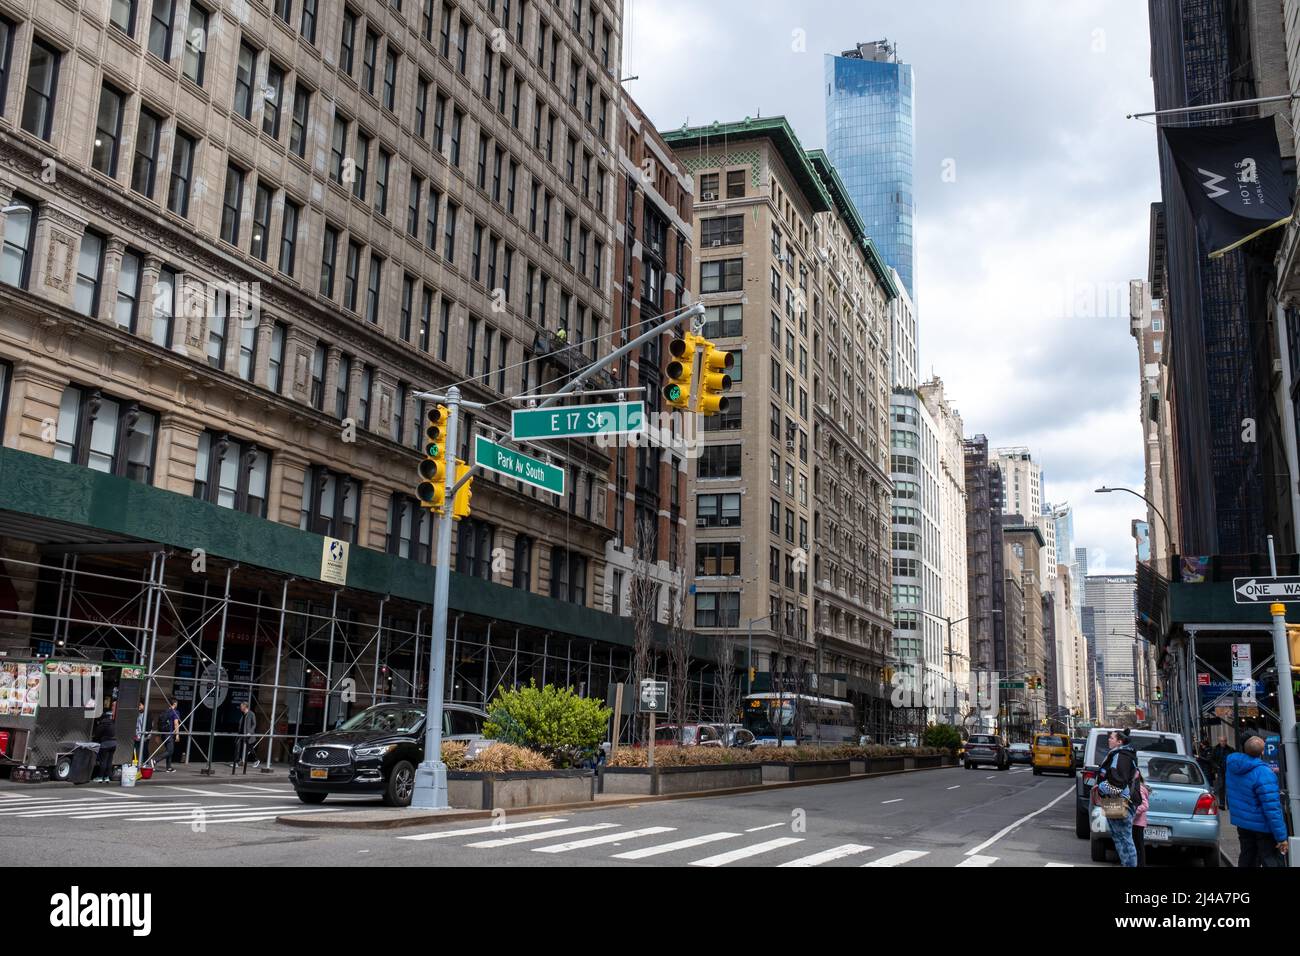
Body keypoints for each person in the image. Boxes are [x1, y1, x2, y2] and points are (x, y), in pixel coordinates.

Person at [1225, 735, 1290, 867]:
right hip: (1262, 826)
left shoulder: (1232, 766)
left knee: (1247, 856)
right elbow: (1272, 808)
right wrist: (1281, 837)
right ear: (1262, 752)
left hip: (1243, 823)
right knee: (1270, 859)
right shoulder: (1264, 773)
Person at [1096, 728, 1140, 867]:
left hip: (1121, 800)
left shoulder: (1121, 756)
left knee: (1124, 838)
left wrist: (1101, 787)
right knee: (1118, 837)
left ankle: (1129, 865)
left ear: (1120, 742)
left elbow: (1118, 783)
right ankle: (1126, 864)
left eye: (1112, 738)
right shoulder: (1119, 754)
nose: (1109, 739)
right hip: (1115, 800)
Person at [91, 706, 117, 783]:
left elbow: (97, 734)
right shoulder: (112, 724)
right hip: (114, 744)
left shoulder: (103, 724)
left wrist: (95, 739)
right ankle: (107, 777)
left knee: (103, 761)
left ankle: (100, 776)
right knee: (109, 761)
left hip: (105, 744)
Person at [1131, 772, 1151, 867]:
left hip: (1138, 823)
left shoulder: (1139, 788)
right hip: (1133, 822)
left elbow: (1145, 805)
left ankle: (1141, 864)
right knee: (1135, 844)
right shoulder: (1133, 787)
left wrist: (1133, 812)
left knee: (1138, 845)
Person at [234, 701, 259, 772]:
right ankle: (237, 762)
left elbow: (254, 724)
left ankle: (256, 760)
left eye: (241, 706)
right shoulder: (243, 714)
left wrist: (250, 732)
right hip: (241, 734)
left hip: (248, 735)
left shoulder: (251, 714)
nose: (240, 708)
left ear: (245, 706)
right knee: (238, 746)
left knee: (250, 748)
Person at [157, 699, 181, 772]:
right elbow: (176, 723)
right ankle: (155, 760)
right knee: (170, 751)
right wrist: (177, 735)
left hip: (163, 734)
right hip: (169, 733)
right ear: (174, 704)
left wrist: (158, 735)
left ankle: (169, 767)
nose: (177, 704)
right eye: (176, 703)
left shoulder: (165, 711)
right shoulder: (175, 712)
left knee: (169, 749)